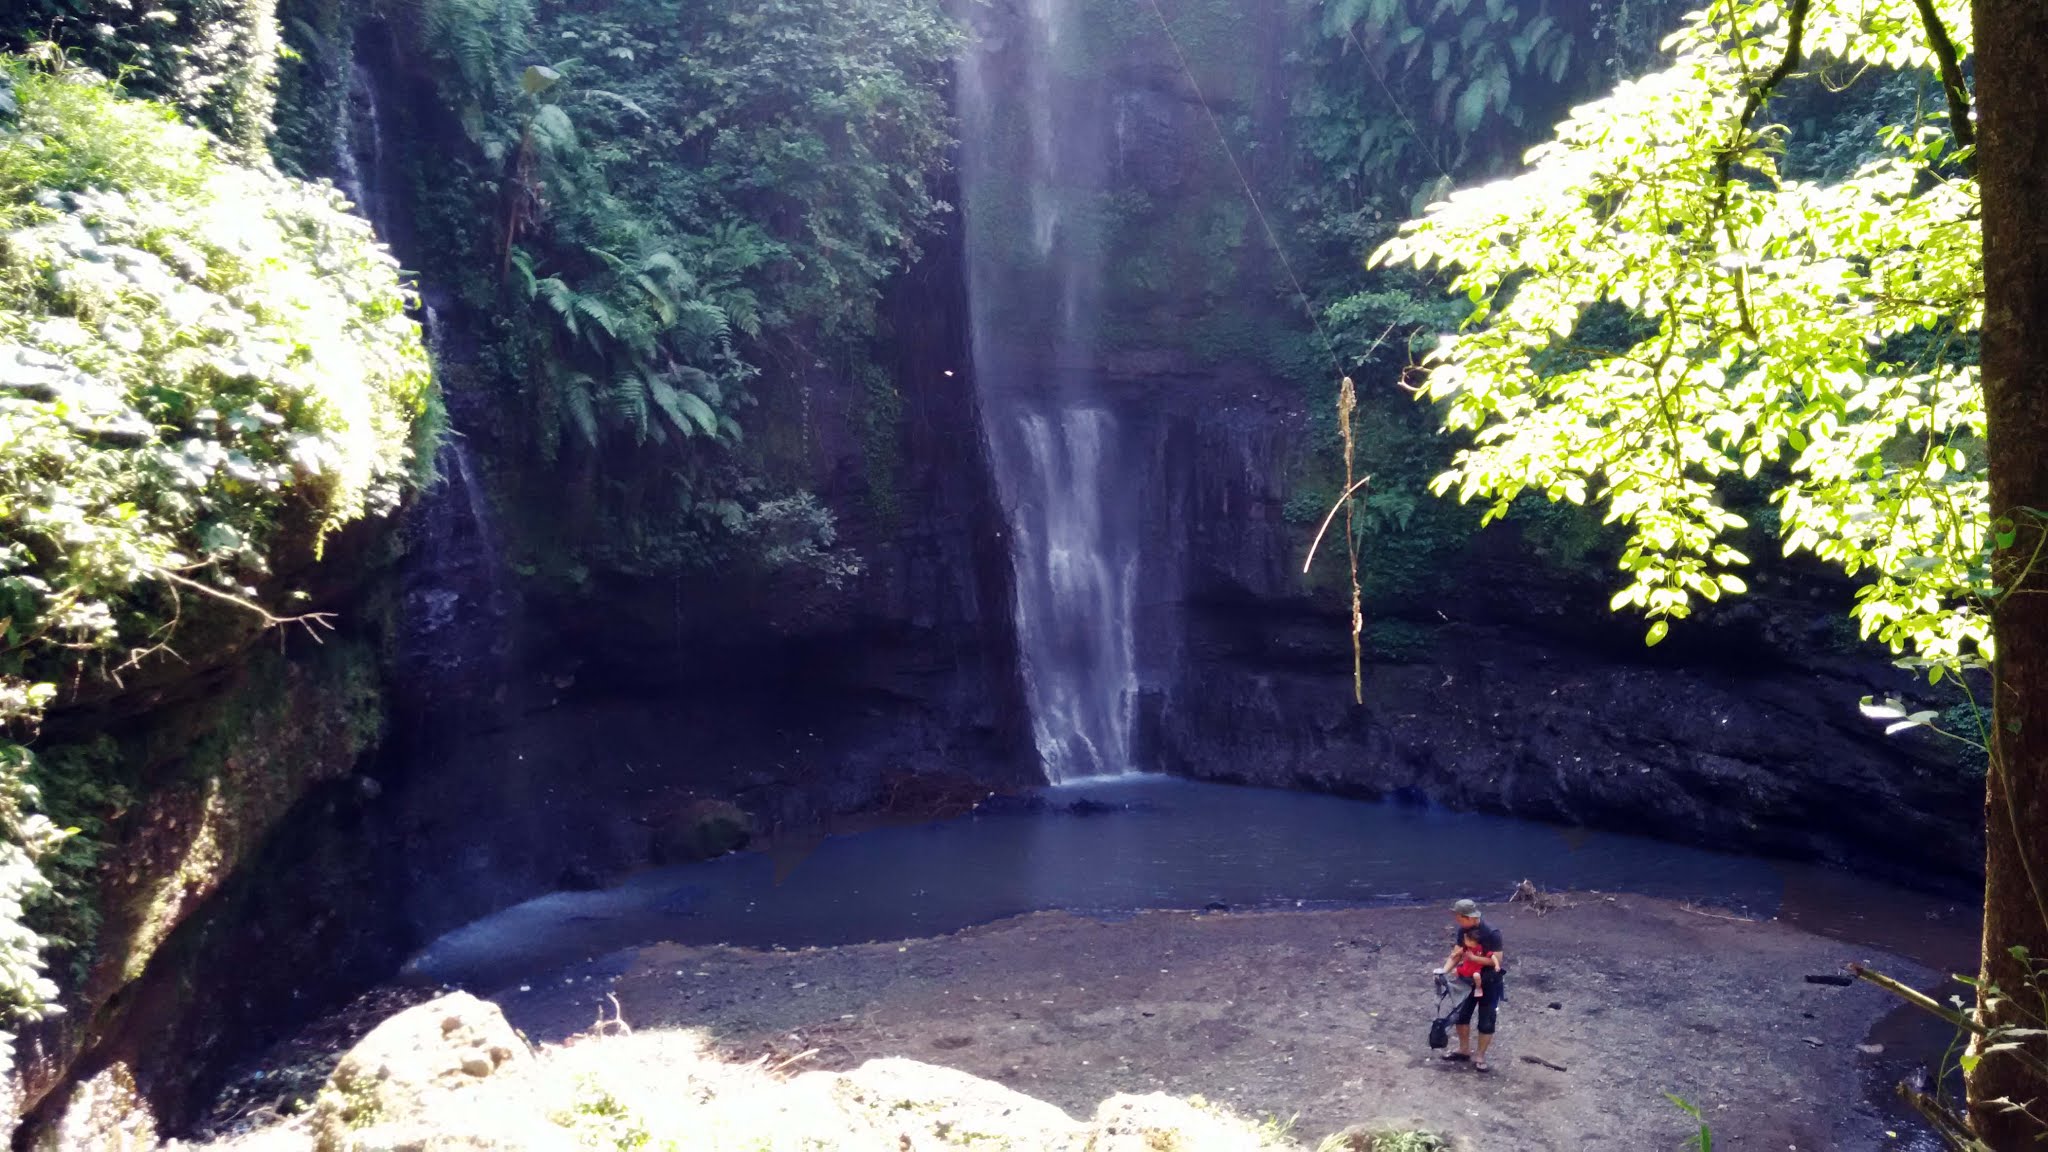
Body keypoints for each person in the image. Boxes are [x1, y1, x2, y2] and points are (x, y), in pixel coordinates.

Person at [1437, 897, 1504, 1071]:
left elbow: (1497, 961)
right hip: (1466, 981)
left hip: (1489, 982)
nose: (1457, 920)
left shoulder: (1491, 933)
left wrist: (1474, 958)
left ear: (1468, 916)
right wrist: (1443, 971)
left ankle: (1480, 1056)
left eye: (1458, 917)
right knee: (1461, 1016)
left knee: (1486, 1020)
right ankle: (1464, 1050)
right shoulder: (1463, 931)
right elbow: (1457, 953)